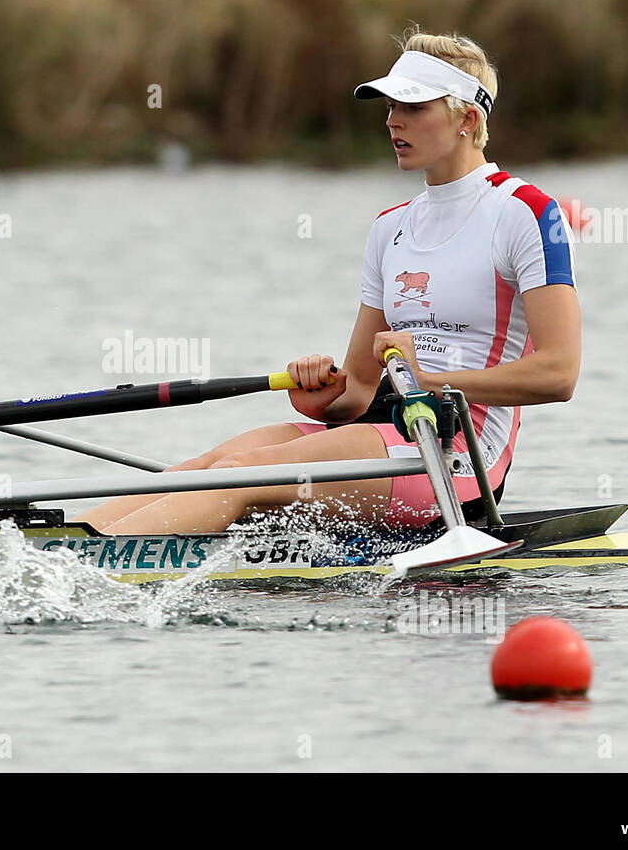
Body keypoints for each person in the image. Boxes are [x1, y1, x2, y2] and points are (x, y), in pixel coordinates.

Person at [77, 29, 580, 535]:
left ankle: (86, 571)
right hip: (384, 426)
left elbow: (559, 374)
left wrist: (428, 381)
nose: (392, 121)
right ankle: (50, 547)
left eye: (412, 107)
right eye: (388, 107)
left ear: (467, 118)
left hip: (458, 450)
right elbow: (357, 391)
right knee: (195, 471)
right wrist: (321, 395)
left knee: (236, 478)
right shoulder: (391, 227)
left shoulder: (528, 214)